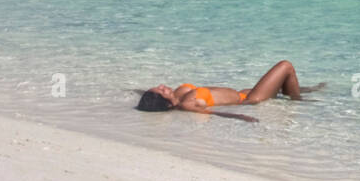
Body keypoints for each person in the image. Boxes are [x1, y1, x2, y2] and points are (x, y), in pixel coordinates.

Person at [135, 60, 325, 123]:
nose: (162, 85)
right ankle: (298, 102)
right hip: (250, 100)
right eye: (161, 90)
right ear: (167, 103)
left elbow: (146, 97)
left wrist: (135, 92)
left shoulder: (178, 94)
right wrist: (241, 117)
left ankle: (307, 91)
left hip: (243, 92)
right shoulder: (186, 104)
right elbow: (211, 112)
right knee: (285, 66)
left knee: (283, 85)